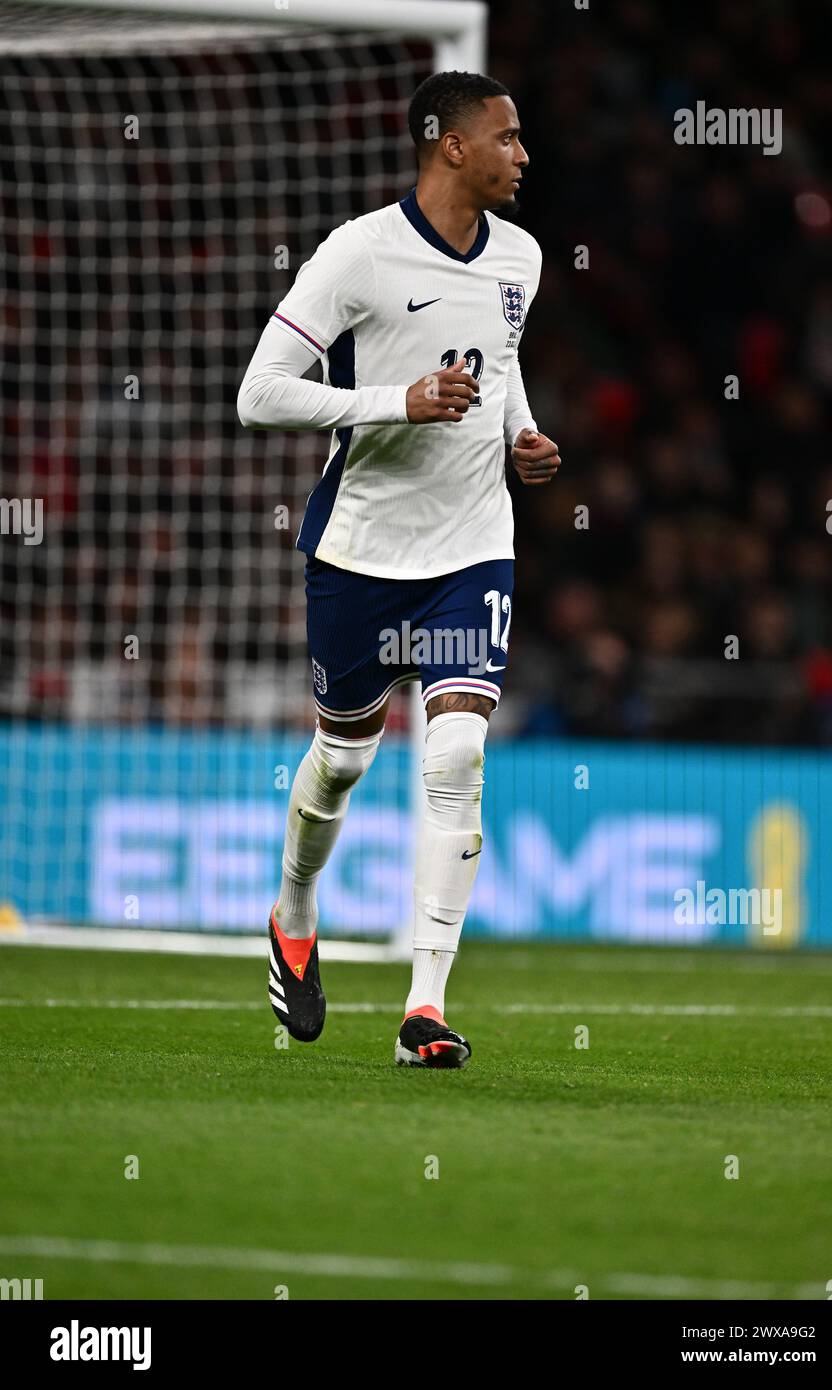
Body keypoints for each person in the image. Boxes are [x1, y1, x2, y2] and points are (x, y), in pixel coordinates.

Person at [237, 70, 560, 1067]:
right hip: (360, 550)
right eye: (505, 138)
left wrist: (523, 431)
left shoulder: (522, 255)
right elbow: (261, 394)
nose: (521, 154)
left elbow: (496, 361)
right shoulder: (357, 253)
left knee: (455, 756)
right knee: (341, 761)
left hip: (469, 547)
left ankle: (424, 1005)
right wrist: (395, 402)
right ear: (448, 145)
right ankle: (293, 911)